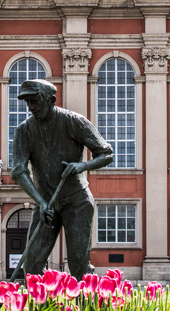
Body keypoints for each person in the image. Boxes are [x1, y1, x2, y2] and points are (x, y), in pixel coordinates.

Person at [10, 79, 113, 279]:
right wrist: (40, 202)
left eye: (35, 101)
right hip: (46, 203)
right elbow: (19, 171)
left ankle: (86, 309)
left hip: (77, 201)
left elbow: (106, 153)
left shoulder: (74, 121)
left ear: (51, 100)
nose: (31, 107)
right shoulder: (23, 131)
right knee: (31, 265)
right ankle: (42, 309)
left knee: (79, 267)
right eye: (27, 102)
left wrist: (82, 166)